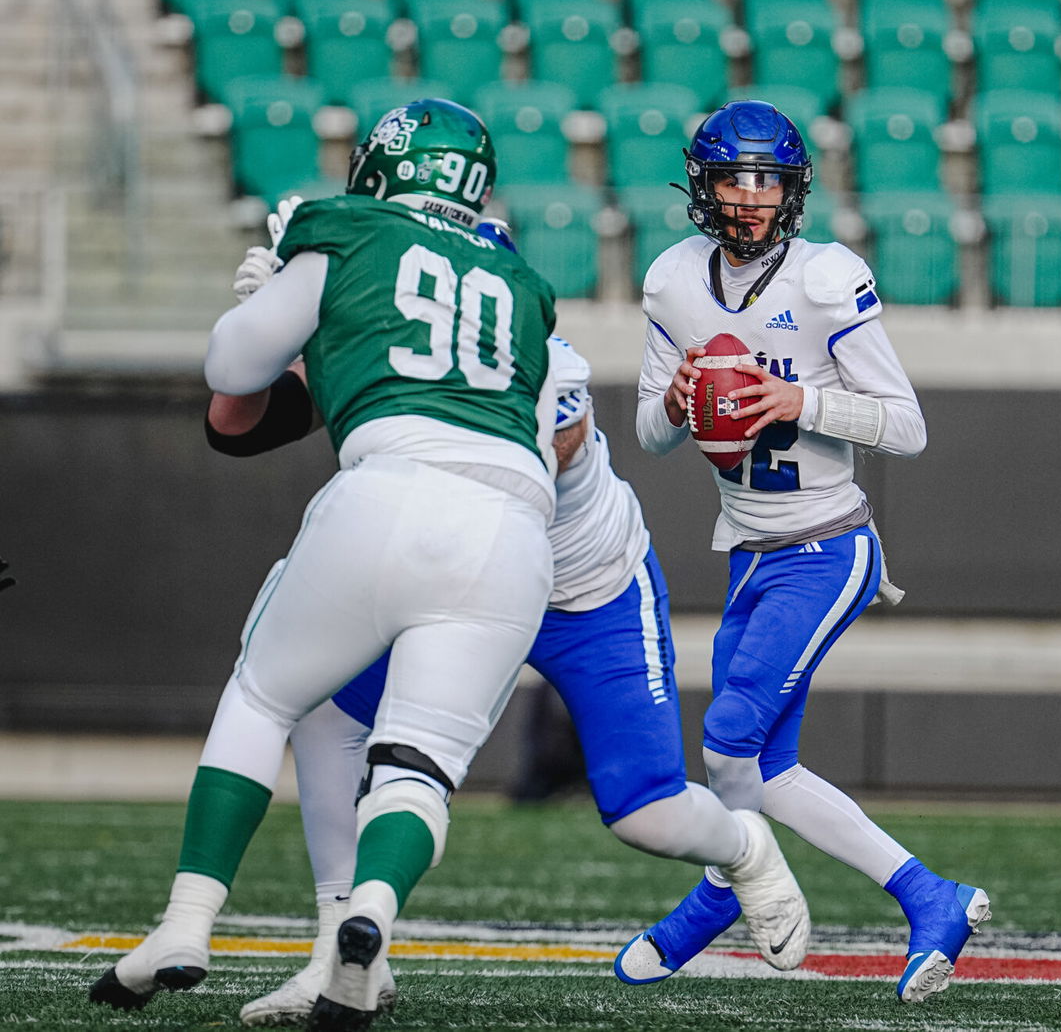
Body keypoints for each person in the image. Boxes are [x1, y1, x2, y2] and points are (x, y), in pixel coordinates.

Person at [87, 98, 561, 1032]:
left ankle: (186, 924)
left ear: (380, 169)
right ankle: (369, 917)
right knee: (417, 770)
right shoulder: (523, 280)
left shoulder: (345, 229)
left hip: (390, 487)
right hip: (514, 527)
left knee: (264, 697)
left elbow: (232, 369)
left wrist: (269, 295)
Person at [235, 320, 811, 1025]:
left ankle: (745, 849)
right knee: (326, 715)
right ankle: (342, 953)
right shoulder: (398, 352)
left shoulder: (552, 369)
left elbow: (546, 457)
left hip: (585, 593)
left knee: (647, 813)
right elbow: (251, 418)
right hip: (464, 579)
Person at [620, 98, 990, 1004]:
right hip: (748, 548)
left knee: (727, 742)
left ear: (793, 191)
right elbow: (647, 433)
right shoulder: (672, 279)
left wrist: (798, 403)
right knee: (759, 766)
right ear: (701, 189)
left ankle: (742, 896)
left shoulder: (826, 279)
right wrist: (677, 403)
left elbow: (907, 427)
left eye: (768, 181)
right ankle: (898, 895)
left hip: (827, 546)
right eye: (732, 181)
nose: (750, 200)